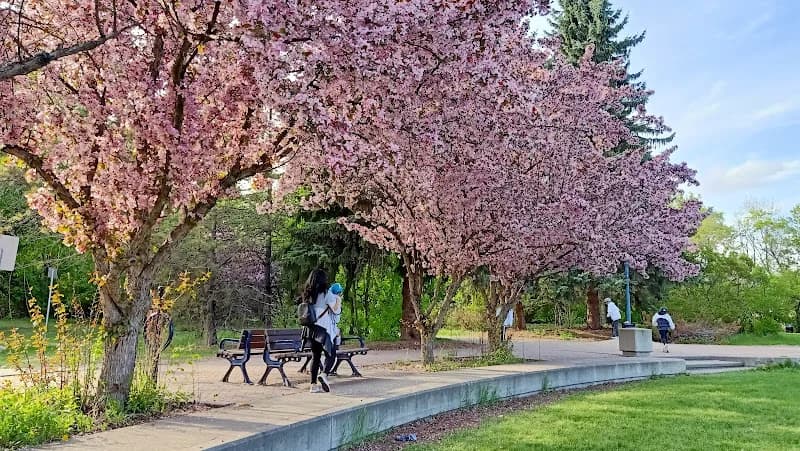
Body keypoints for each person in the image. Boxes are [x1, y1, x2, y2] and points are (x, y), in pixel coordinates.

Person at [301, 269, 340, 393]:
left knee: (315, 356)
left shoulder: (307, 293)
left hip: (311, 328)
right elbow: (335, 310)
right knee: (331, 353)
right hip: (323, 329)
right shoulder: (326, 293)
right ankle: (324, 374)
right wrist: (338, 299)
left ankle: (313, 385)